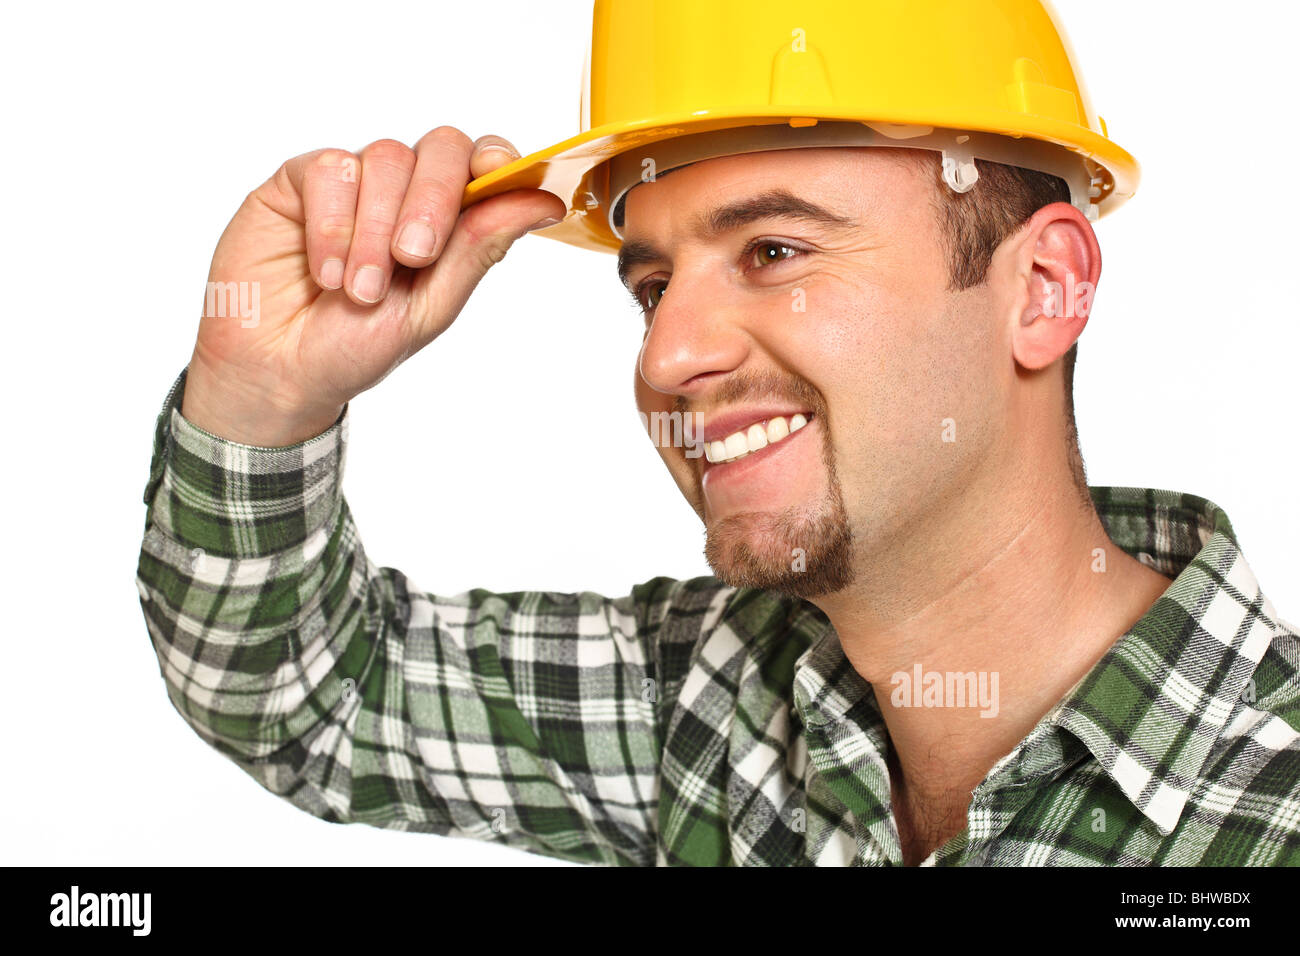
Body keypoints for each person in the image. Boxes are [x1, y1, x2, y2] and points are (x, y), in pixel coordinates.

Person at [135, 0, 1300, 866]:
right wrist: (263, 397)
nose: (664, 356)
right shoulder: (716, 700)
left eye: (775, 251)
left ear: (1042, 286)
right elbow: (308, 693)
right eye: (650, 286)